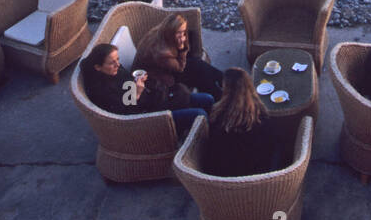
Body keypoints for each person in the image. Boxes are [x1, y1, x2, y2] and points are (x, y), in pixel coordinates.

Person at [80, 43, 210, 139]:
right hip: (147, 119)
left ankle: (216, 128)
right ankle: (201, 147)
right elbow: (122, 115)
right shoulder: (100, 91)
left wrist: (141, 81)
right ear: (98, 67)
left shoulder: (114, 71)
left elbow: (127, 85)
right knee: (199, 113)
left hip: (154, 100)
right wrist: (136, 93)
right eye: (111, 63)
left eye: (117, 59)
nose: (117, 65)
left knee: (207, 99)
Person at [200, 68, 290, 177]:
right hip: (255, 178)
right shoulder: (260, 118)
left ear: (225, 88)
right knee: (283, 140)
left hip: (220, 176)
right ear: (250, 87)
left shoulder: (217, 115)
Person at [133, 12, 224, 101]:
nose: (183, 36)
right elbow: (180, 68)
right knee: (198, 71)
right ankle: (220, 93)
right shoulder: (162, 53)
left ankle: (222, 83)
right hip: (159, 79)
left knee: (198, 66)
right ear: (171, 32)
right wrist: (182, 49)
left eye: (184, 32)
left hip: (162, 67)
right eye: (179, 33)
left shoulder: (160, 31)